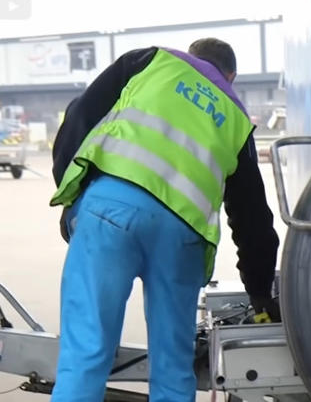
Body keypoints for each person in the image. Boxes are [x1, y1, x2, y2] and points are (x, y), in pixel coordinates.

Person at [49, 38, 280, 401]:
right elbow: (252, 218)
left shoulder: (150, 61)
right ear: (230, 76)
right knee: (173, 366)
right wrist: (260, 292)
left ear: (190, 55)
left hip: (111, 209)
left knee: (86, 351)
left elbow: (80, 113)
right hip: (182, 234)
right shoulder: (235, 118)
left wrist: (71, 194)